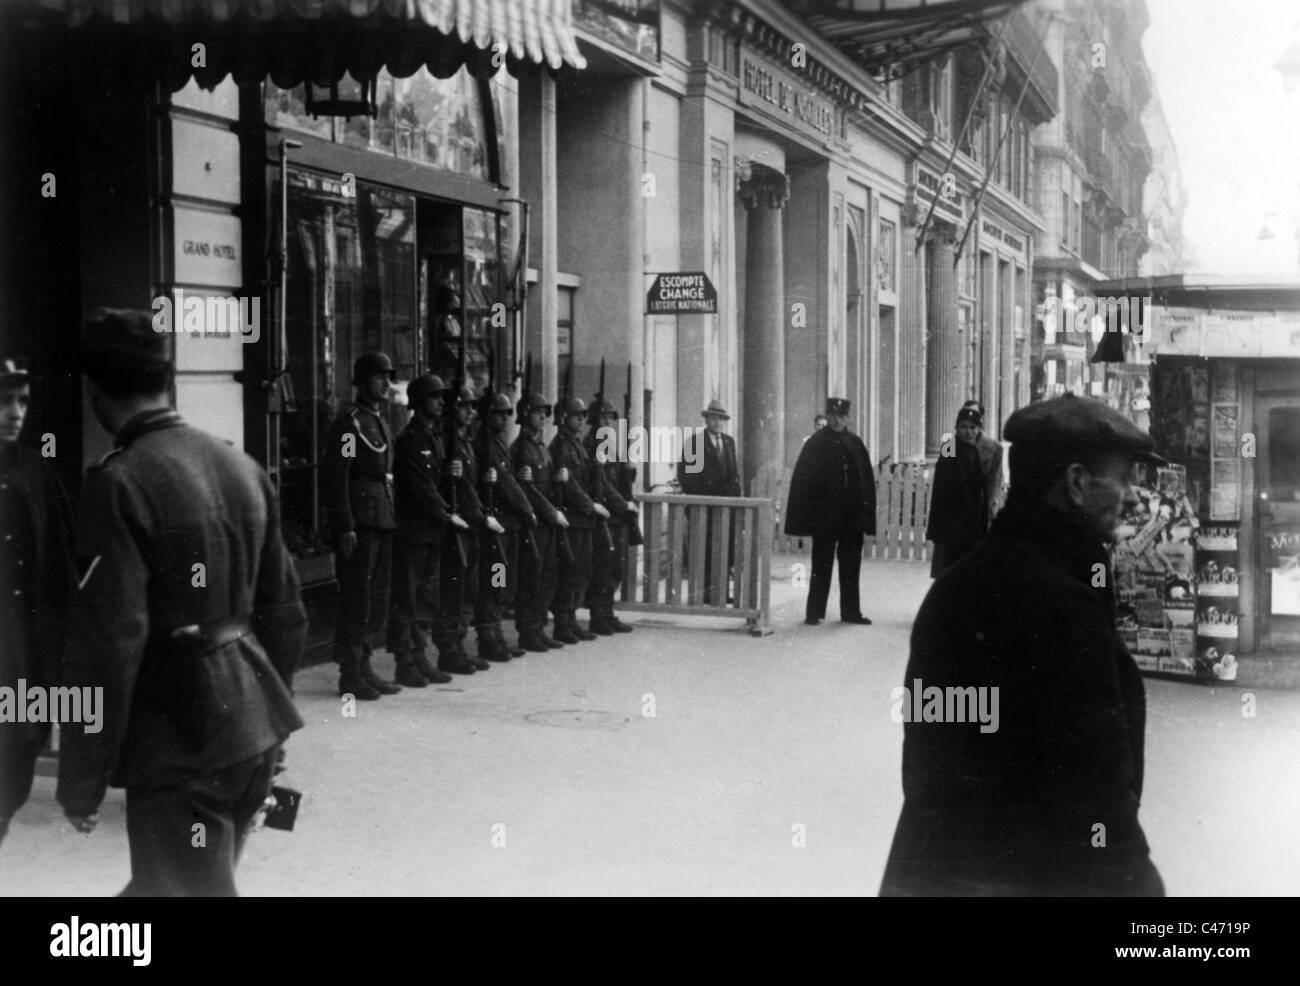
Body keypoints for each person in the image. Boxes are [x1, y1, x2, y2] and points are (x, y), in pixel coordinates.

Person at [57, 309, 305, 896]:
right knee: (171, 888)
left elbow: (109, 644)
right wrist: (272, 720)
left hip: (180, 740)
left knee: (180, 891)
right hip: (250, 728)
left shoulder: (118, 482)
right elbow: (287, 610)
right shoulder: (238, 464)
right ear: (165, 380)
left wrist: (82, 780)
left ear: (95, 394)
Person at [880, 394, 1166, 897]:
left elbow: (929, 755)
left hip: (934, 871)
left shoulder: (956, 588)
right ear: (1077, 484)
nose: (1133, 495)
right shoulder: (1065, 606)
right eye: (1125, 478)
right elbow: (1095, 788)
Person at [0, 357, 75, 847]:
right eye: (4, 400)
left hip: (22, 655)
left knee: (13, 774)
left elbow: (61, 571)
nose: (15, 412)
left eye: (22, 401)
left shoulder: (36, 472)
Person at [323, 352, 402, 699]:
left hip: (381, 517)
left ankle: (365, 665)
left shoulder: (379, 421)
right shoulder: (350, 424)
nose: (385, 383)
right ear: (362, 380)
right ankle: (350, 674)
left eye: (388, 377)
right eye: (379, 377)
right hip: (360, 520)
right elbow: (336, 476)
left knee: (375, 597)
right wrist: (344, 526)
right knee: (357, 597)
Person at [386, 373, 465, 685]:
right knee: (407, 598)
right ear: (418, 403)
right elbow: (421, 488)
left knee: (426, 597)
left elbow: (438, 483)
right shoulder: (409, 440)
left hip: (431, 532)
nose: (441, 403)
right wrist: (446, 516)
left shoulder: (435, 439)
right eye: (435, 397)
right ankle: (404, 662)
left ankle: (419, 655)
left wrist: (453, 474)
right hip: (413, 531)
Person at [784, 397, 876, 625]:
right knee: (821, 563)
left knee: (851, 565)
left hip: (851, 518)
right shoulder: (816, 443)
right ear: (827, 415)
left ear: (848, 417)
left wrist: (865, 516)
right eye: (832, 415)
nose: (836, 420)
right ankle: (814, 612)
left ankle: (851, 612)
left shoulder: (855, 442)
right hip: (825, 517)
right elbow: (803, 481)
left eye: (842, 415)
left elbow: (866, 482)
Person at [434, 385, 500, 671]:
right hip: (456, 526)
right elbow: (455, 487)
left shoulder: (466, 442)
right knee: (454, 590)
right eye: (465, 406)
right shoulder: (446, 442)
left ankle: (458, 646)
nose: (471, 412)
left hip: (469, 526)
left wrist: (487, 479)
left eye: (473, 407)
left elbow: (470, 485)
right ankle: (448, 649)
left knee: (468, 589)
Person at [475, 392, 534, 659]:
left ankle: (496, 635)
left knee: (501, 582)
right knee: (494, 581)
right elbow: (506, 486)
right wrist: (527, 509)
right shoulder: (485, 444)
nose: (503, 418)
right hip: (495, 526)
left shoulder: (498, 444)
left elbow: (508, 479)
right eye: (498, 413)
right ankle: (488, 637)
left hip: (505, 525)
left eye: (506, 413)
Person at [512, 392, 569, 652]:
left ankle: (538, 627)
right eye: (538, 411)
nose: (543, 416)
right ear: (525, 414)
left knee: (548, 575)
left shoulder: (542, 447)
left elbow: (544, 483)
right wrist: (550, 512)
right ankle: (528, 631)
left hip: (546, 522)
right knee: (531, 577)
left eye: (545, 412)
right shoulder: (520, 448)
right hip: (535, 521)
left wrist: (559, 480)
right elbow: (528, 489)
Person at [550, 397, 607, 643]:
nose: (582, 419)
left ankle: (571, 619)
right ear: (564, 418)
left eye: (584, 415)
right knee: (568, 571)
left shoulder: (577, 445)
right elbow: (570, 486)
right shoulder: (561, 445)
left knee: (581, 570)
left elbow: (582, 478)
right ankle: (563, 623)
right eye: (577, 415)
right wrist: (590, 505)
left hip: (582, 520)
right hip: (571, 518)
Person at [677, 399, 741, 604]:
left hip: (726, 508)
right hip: (703, 508)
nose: (717, 422)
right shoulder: (695, 443)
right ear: (706, 420)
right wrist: (701, 498)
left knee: (724, 549)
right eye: (713, 418)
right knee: (704, 549)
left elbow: (734, 475)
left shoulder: (729, 442)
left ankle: (721, 592)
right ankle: (704, 593)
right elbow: (686, 476)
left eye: (721, 419)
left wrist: (736, 502)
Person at [585, 398, 635, 634]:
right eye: (604, 417)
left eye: (611, 418)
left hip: (616, 517)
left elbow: (620, 479)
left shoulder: (611, 445)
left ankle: (607, 611)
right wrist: (623, 504)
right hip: (603, 516)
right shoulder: (592, 444)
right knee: (601, 568)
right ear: (594, 419)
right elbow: (602, 484)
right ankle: (598, 615)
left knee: (615, 568)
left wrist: (628, 470)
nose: (608, 422)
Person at [926, 406, 989, 577]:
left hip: (970, 525)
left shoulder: (973, 449)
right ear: (956, 428)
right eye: (963, 427)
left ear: (979, 430)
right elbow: (944, 487)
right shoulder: (950, 446)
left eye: (972, 427)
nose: (968, 432)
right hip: (952, 526)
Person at [962, 400, 1004, 516]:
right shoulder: (949, 444)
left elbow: (994, 482)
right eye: (965, 412)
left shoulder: (995, 448)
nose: (969, 416)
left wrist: (990, 508)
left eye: (974, 413)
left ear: (981, 420)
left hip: (980, 509)